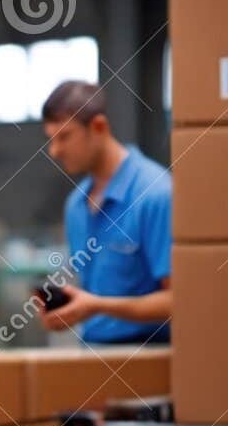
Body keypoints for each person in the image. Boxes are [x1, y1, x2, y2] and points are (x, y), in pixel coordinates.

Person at [37, 80, 171, 344]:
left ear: (98, 127)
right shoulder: (76, 205)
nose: (55, 151)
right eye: (51, 140)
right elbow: (91, 292)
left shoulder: (155, 195)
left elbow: (179, 300)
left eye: (65, 136)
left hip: (147, 356)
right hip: (92, 351)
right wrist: (71, 308)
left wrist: (97, 306)